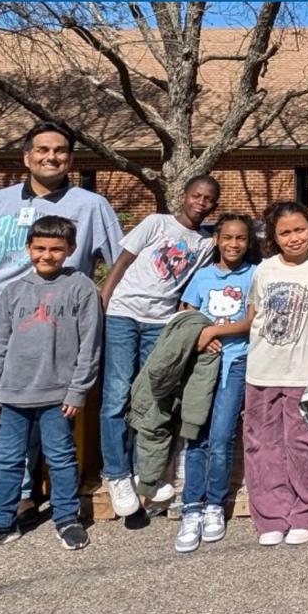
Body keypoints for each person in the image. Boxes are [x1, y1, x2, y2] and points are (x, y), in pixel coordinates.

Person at [0, 121, 123, 515]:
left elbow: (120, 260)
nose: (52, 157)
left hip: (56, 324)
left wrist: (100, 299)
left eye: (60, 151)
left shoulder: (90, 205)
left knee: (41, 411)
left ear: (70, 158)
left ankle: (25, 493)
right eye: (43, 150)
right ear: (27, 157)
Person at [0, 216, 102, 556]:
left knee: (61, 457)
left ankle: (67, 518)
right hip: (11, 395)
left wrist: (77, 390)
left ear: (70, 250)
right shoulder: (13, 291)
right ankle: (1, 523)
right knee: (8, 460)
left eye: (56, 249)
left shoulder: (81, 287)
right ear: (28, 249)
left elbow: (90, 345)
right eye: (40, 248)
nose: (47, 255)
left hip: (57, 395)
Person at [98, 175, 218, 518]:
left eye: (209, 199)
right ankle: (116, 473)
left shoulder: (205, 245)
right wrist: (105, 298)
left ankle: (144, 471)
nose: (201, 203)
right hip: (124, 313)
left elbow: (192, 287)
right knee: (117, 393)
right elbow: (122, 261)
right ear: (184, 195)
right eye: (196, 195)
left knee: (149, 395)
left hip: (159, 322)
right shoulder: (156, 222)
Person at [244, 202, 308, 546]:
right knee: (263, 445)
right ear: (274, 237)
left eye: (300, 230)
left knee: (305, 443)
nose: (294, 238)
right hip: (263, 370)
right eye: (285, 233)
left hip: (305, 371)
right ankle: (270, 515)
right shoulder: (264, 270)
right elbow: (255, 314)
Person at [173, 214, 260, 553]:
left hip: (235, 362)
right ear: (216, 240)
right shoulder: (202, 276)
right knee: (197, 435)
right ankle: (191, 507)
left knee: (222, 436)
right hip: (201, 367)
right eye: (227, 238)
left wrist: (214, 331)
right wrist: (200, 334)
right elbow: (186, 315)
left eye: (240, 238)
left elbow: (251, 320)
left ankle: (214, 505)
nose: (234, 244)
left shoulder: (254, 274)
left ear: (247, 242)